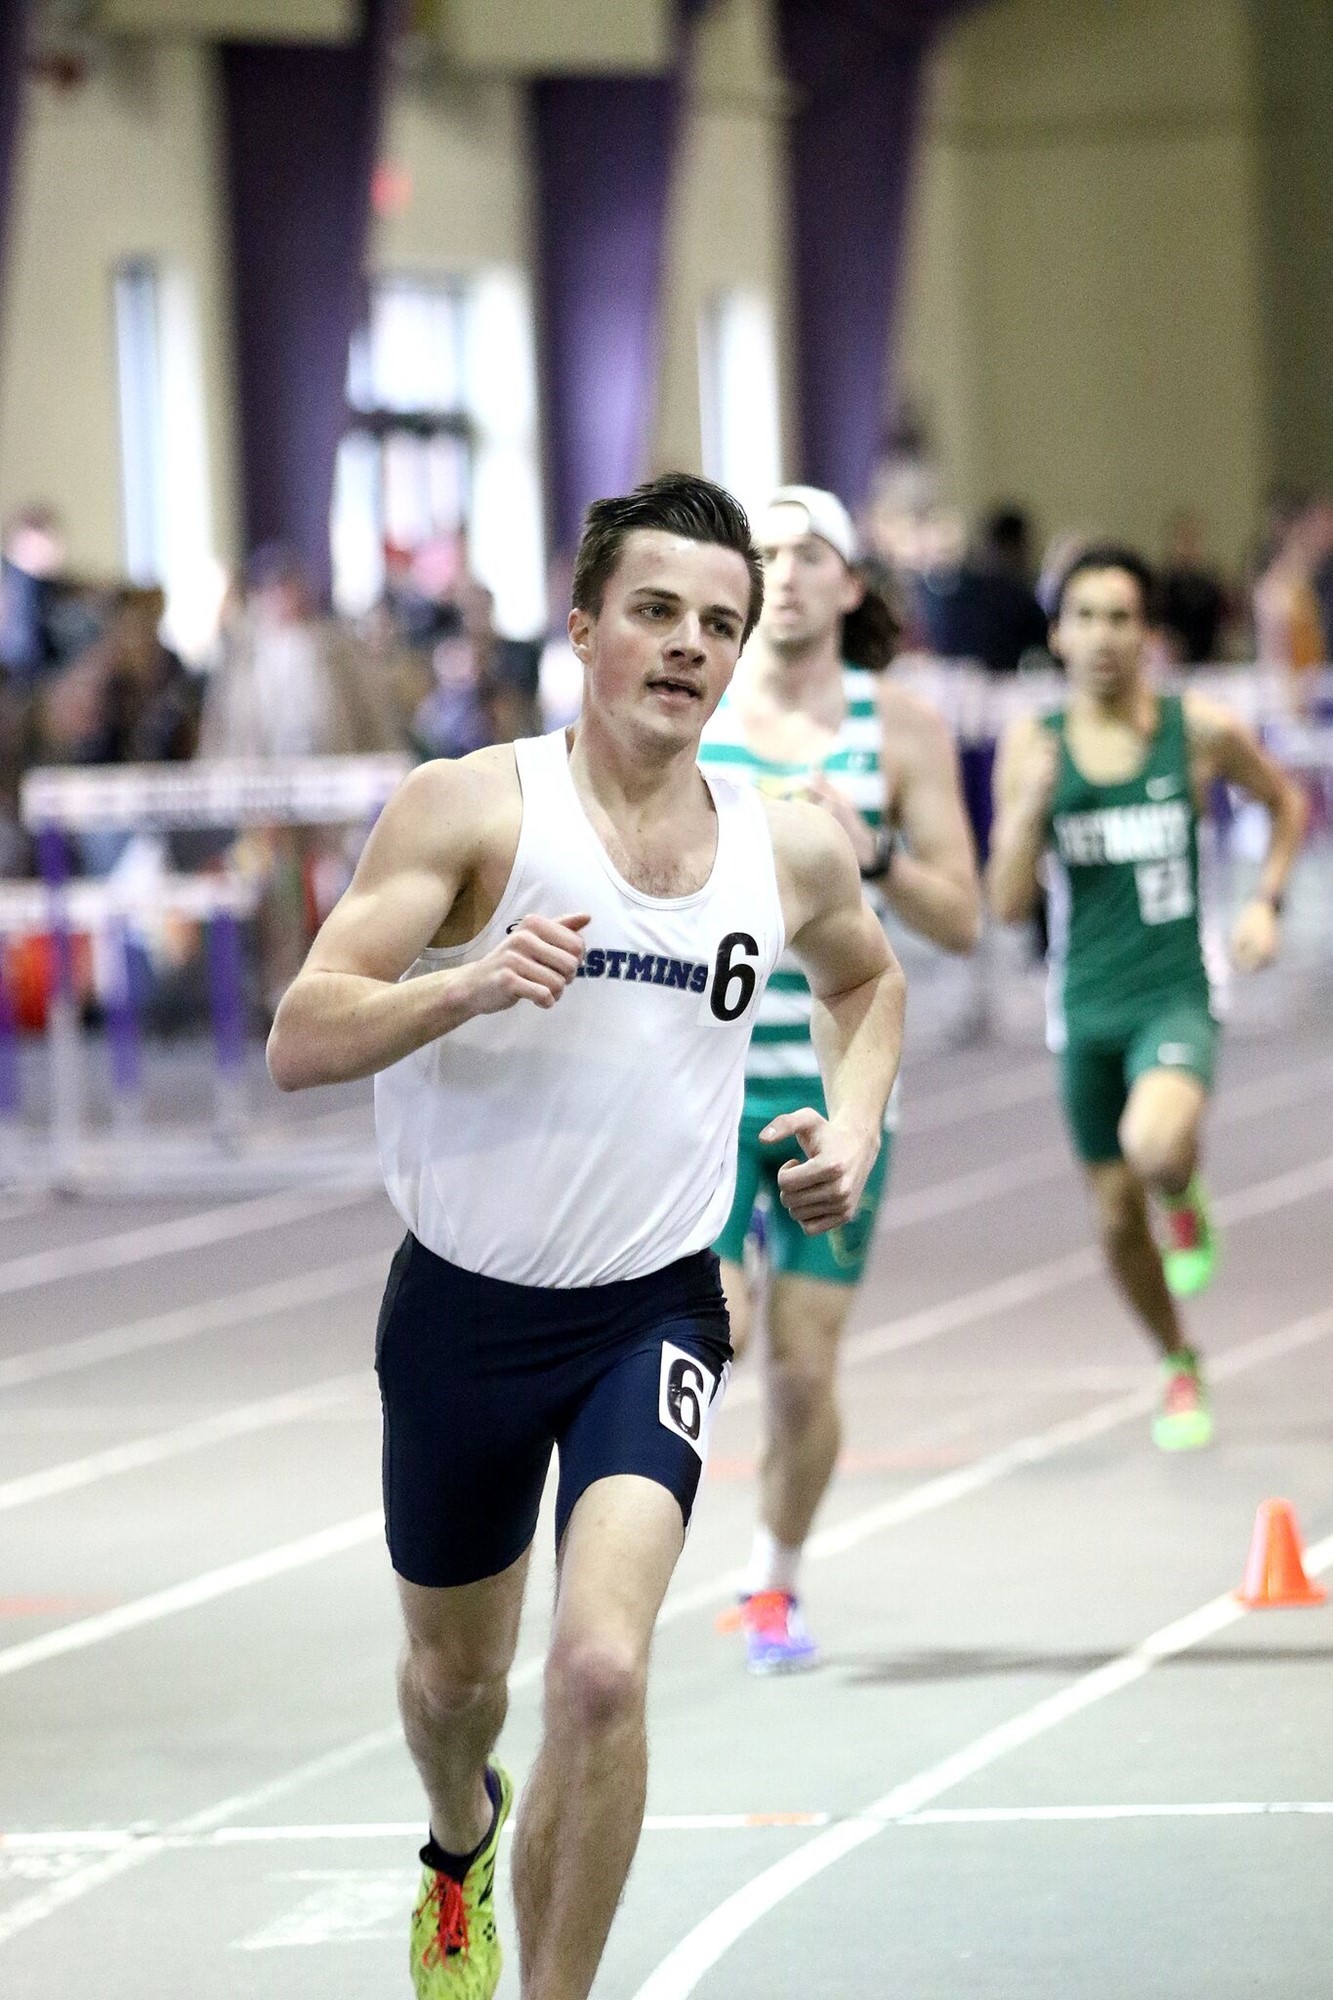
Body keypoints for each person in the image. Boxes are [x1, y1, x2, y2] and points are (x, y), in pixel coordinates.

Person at [266, 474, 905, 2000]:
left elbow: (868, 988)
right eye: (657, 613)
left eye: (720, 625)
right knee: (455, 1688)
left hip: (654, 1314)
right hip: (461, 1316)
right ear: (583, 629)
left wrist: (853, 1133)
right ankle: (454, 1840)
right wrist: (463, 984)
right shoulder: (471, 807)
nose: (689, 647)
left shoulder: (790, 842)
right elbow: (299, 1034)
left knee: (603, 1671)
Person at [698, 485, 980, 1673]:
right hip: (701, 1088)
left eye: (808, 553)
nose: (786, 574)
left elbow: (964, 919)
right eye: (763, 556)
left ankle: (774, 1579)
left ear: (851, 582)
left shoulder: (899, 728)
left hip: (837, 1089)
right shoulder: (688, 710)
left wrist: (871, 851)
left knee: (802, 1370)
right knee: (712, 1327)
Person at [987, 546, 1305, 1449]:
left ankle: (1182, 1186)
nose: (1101, 637)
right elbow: (1007, 906)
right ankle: (1176, 1360)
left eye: (1119, 617)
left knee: (1152, 1142)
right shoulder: (1034, 745)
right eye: (1082, 617)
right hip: (1082, 1006)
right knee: (1114, 1213)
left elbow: (1284, 802)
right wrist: (1023, 815)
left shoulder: (1194, 728)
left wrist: (1264, 903)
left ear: (1147, 634)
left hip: (1175, 989)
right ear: (1056, 633)